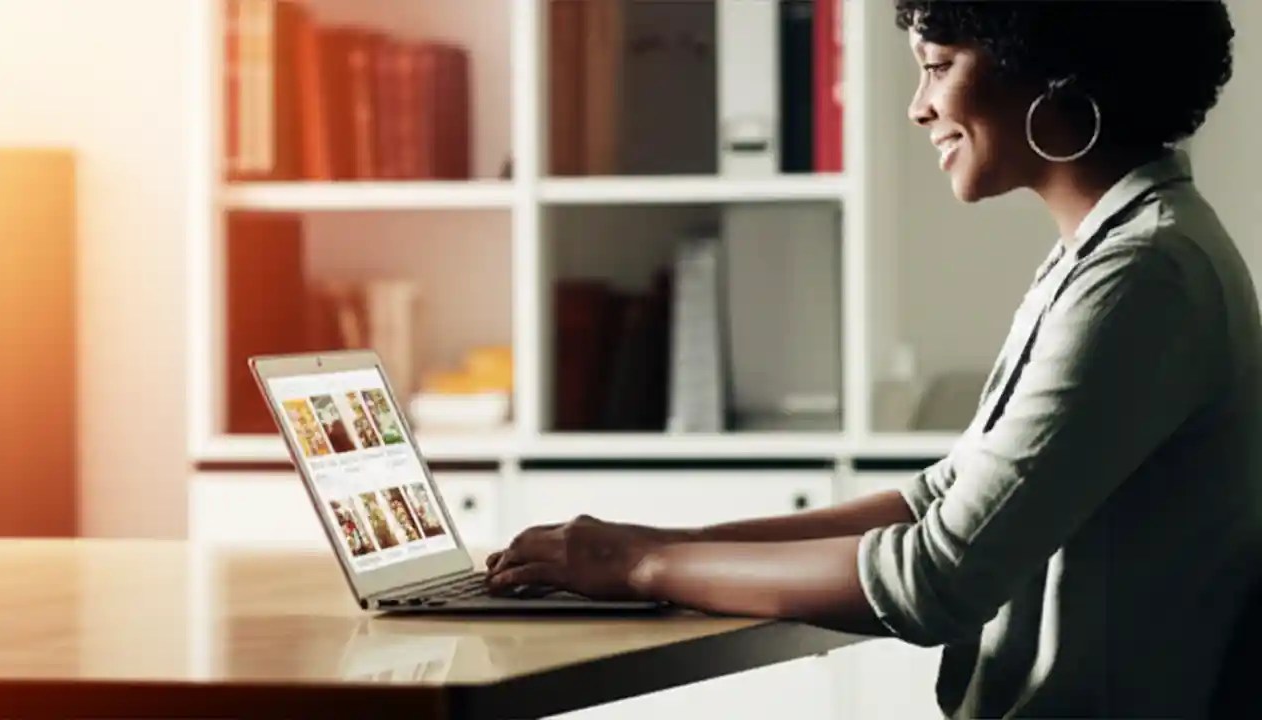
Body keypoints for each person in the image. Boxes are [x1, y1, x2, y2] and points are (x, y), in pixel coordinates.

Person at [486, 2, 1261, 718]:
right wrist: (664, 544)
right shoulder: (1109, 252)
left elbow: (935, 578)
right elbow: (942, 499)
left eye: (938, 64)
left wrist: (639, 569)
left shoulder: (1143, 274)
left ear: (1051, 70)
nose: (918, 106)